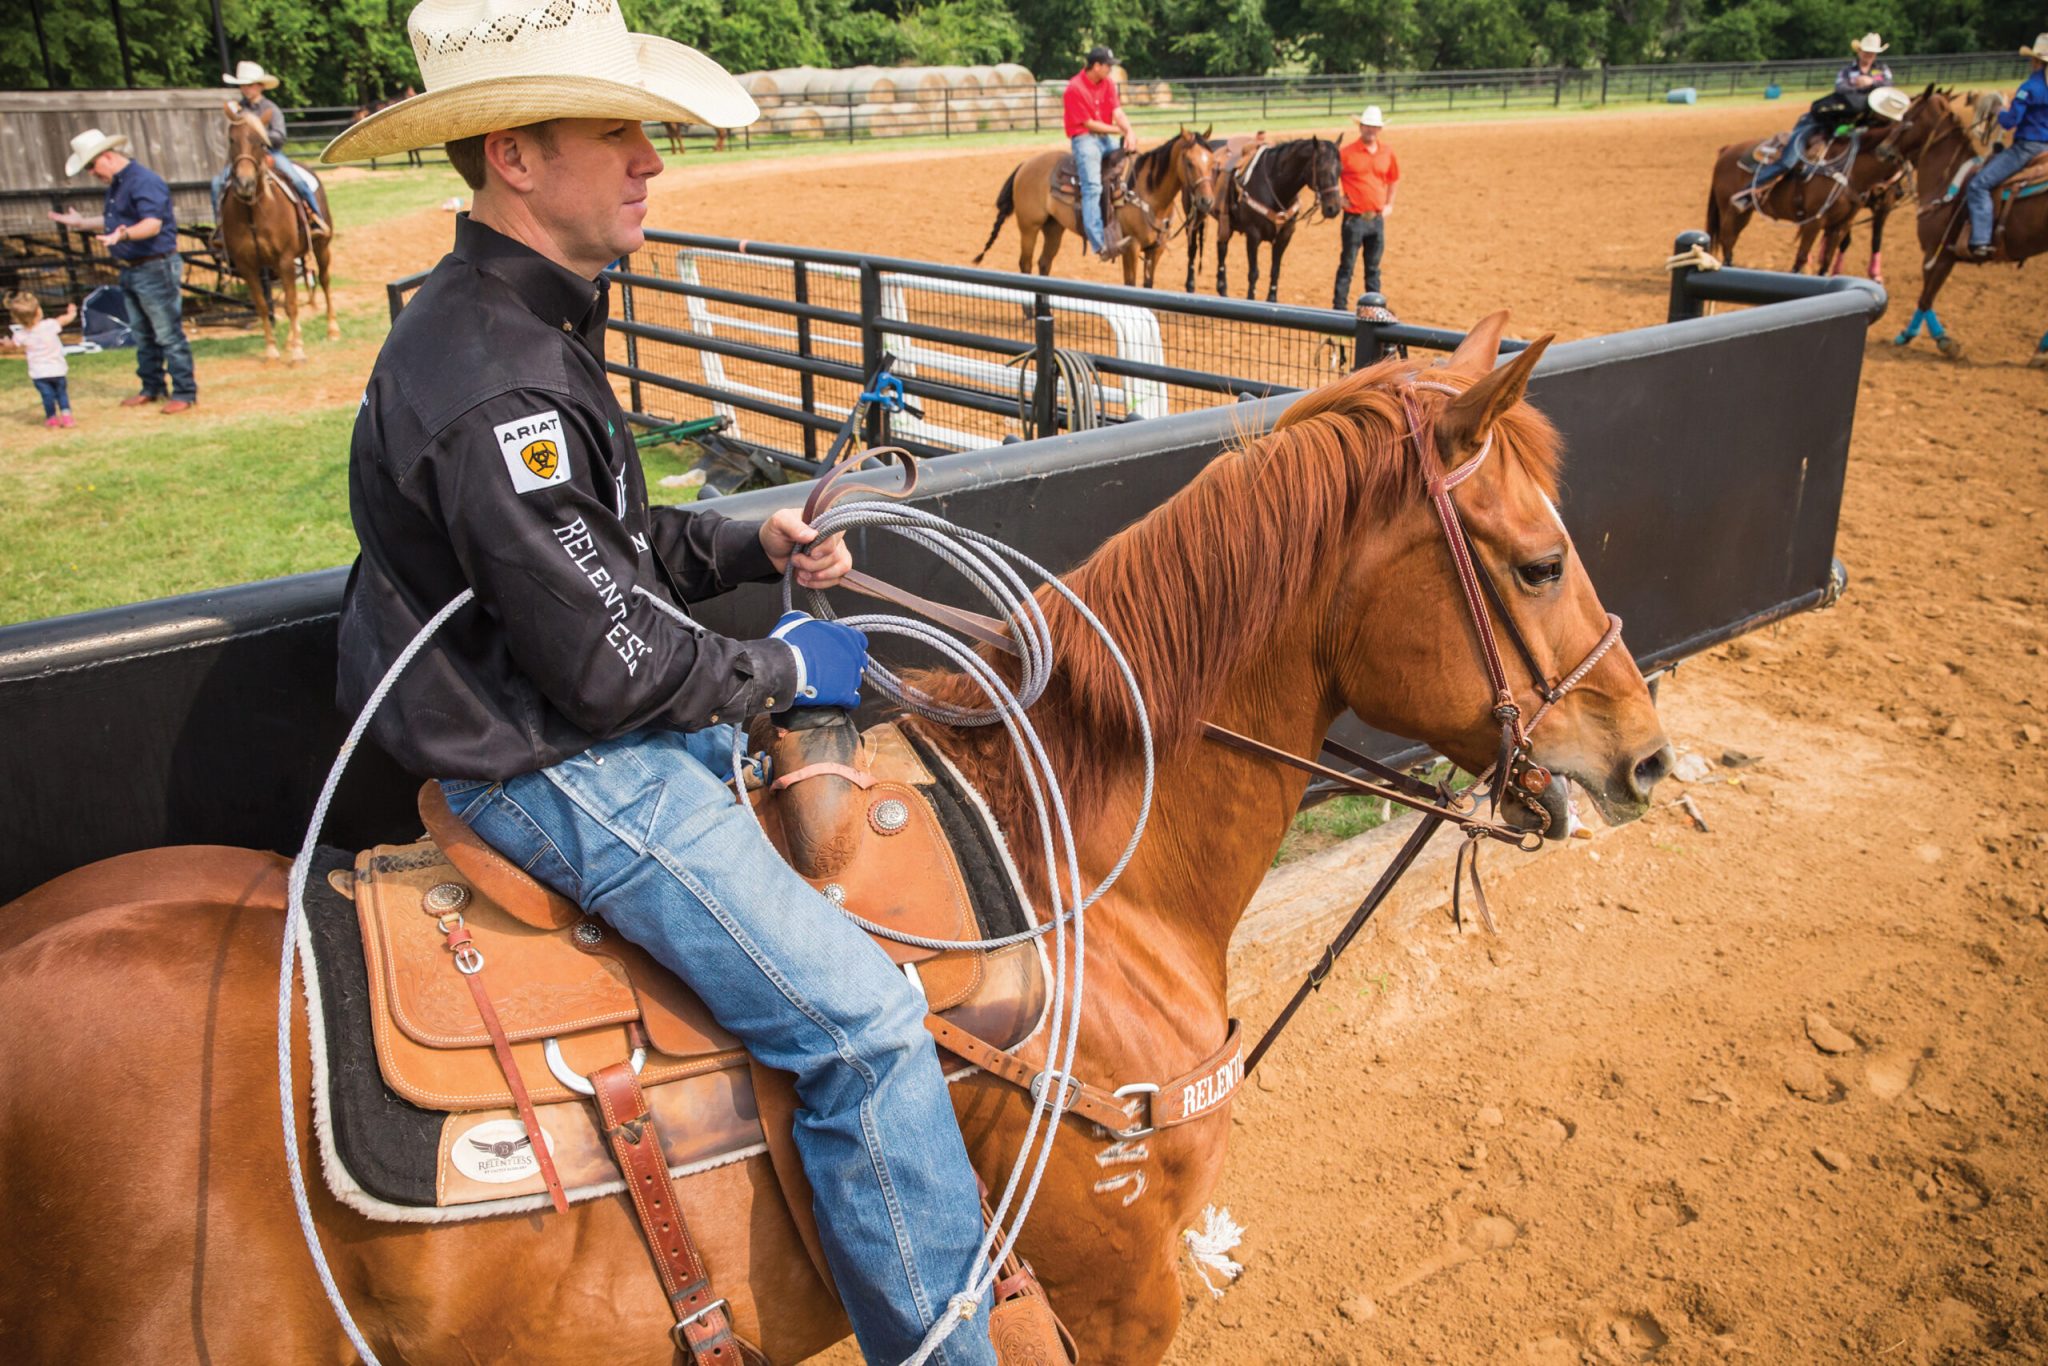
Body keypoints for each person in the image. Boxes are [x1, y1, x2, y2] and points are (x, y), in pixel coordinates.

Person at [319, 3, 997, 1362]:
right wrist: (786, 660)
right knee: (864, 1021)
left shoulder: (510, 328)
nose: (652, 159)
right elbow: (609, 662)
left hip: (560, 713)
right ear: (516, 154)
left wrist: (750, 540)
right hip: (550, 762)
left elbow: (601, 559)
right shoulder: (495, 384)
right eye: (620, 131)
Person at [49, 129, 197, 414]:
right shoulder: (119, 185)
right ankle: (151, 387)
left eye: (92, 166)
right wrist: (82, 223)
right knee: (143, 333)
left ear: (106, 156)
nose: (92, 173)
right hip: (133, 268)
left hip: (155, 266)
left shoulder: (144, 181)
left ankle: (184, 391)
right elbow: (113, 221)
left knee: (167, 333)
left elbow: (152, 224)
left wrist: (123, 236)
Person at [1744, 32, 1897, 201]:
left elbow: (1888, 86)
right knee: (1788, 160)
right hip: (1820, 120)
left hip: (1847, 124)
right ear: (1859, 51)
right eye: (1866, 51)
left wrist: (1871, 82)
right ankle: (1750, 188)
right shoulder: (1847, 71)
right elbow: (1841, 89)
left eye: (1872, 53)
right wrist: (1859, 85)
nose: (1868, 55)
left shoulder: (1882, 70)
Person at [210, 61, 326, 238]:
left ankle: (315, 219)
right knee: (217, 184)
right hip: (245, 156)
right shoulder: (238, 110)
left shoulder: (271, 109)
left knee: (298, 180)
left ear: (260, 86)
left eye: (249, 85)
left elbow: (279, 136)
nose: (246, 89)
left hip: (271, 153)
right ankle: (220, 227)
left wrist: (258, 137)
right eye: (243, 85)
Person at [1964, 34, 2048, 258]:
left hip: (2028, 147)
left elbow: (2011, 122)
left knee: (1979, 184)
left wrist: (1998, 109)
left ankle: (1981, 239)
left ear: (2036, 61)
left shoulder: (2030, 87)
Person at [1063, 44, 1134, 259]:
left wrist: (1129, 131)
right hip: (1084, 139)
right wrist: (1117, 129)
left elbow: (1117, 111)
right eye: (1107, 66)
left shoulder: (1108, 84)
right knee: (1092, 187)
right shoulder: (1074, 88)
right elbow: (1089, 124)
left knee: (1132, 152)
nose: (1110, 70)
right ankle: (1099, 243)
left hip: (1104, 138)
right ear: (1096, 66)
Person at [1332, 105, 1398, 309]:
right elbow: (1329, 178)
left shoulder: (1387, 152)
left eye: (1374, 127)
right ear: (1360, 127)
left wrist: (1389, 204)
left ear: (1380, 130)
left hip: (1376, 219)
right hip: (1354, 219)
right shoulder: (1346, 153)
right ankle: (1339, 308)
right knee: (1348, 265)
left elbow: (1393, 178)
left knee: (1373, 268)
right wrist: (1338, 199)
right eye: (1367, 126)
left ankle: (1374, 309)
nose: (1370, 130)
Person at [4, 290, 77, 428]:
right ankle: (67, 416)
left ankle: (52, 418)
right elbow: (64, 320)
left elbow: (11, 346)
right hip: (58, 369)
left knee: (47, 396)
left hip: (39, 373)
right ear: (38, 312)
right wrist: (72, 313)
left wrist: (5, 342)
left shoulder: (21, 334)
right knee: (61, 393)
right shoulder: (49, 325)